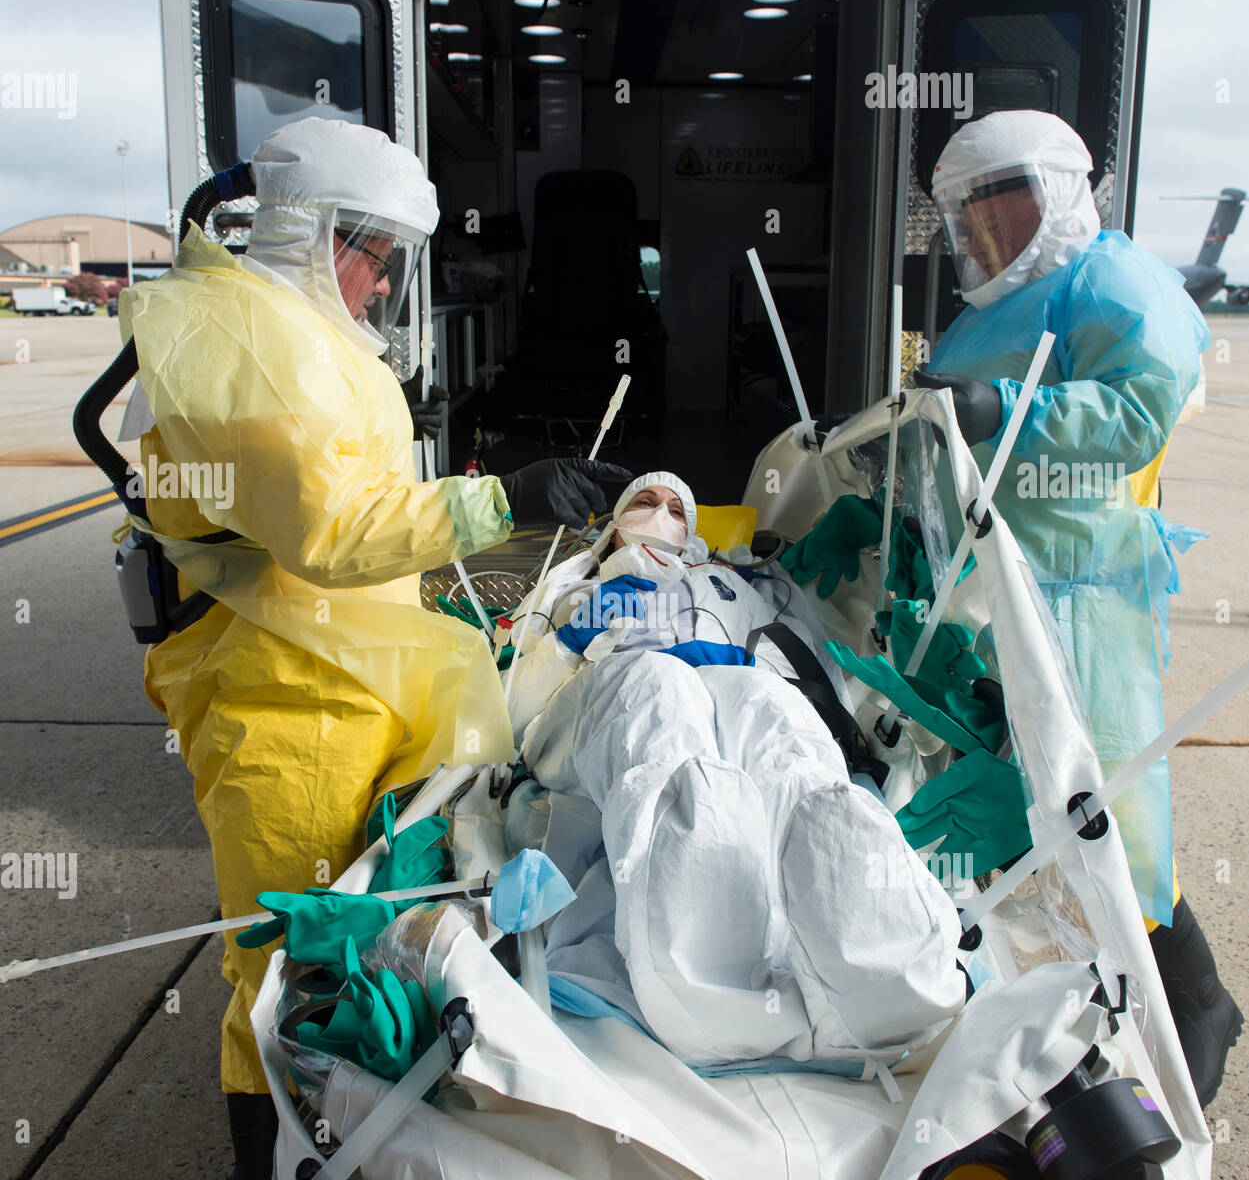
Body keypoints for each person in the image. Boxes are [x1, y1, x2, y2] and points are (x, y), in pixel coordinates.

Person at [118, 116, 629, 1180]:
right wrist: (503, 499)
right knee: (286, 959)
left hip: (328, 676)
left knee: (346, 932)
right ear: (307, 229)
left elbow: (335, 527)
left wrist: (429, 601)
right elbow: (328, 524)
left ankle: (345, 1174)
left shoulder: (288, 329)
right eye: (373, 251)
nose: (384, 279)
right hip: (279, 698)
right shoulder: (238, 335)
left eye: (395, 259)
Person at [910, 109, 1240, 1106]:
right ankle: (1073, 991)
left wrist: (1004, 415)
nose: (985, 233)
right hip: (996, 585)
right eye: (969, 218)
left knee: (1106, 805)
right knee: (1031, 793)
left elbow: (1137, 416)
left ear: (1054, 191)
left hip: (1079, 592)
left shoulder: (1111, 278)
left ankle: (1189, 997)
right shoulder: (987, 308)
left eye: (1002, 205)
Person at [507, 473, 965, 1068]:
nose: (661, 514)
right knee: (659, 693)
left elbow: (815, 675)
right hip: (606, 700)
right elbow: (512, 709)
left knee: (775, 714)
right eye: (644, 503)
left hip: (735, 682)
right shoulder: (577, 585)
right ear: (613, 526)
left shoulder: (740, 582)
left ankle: (886, 979)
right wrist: (575, 633)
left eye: (678, 509)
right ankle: (710, 993)